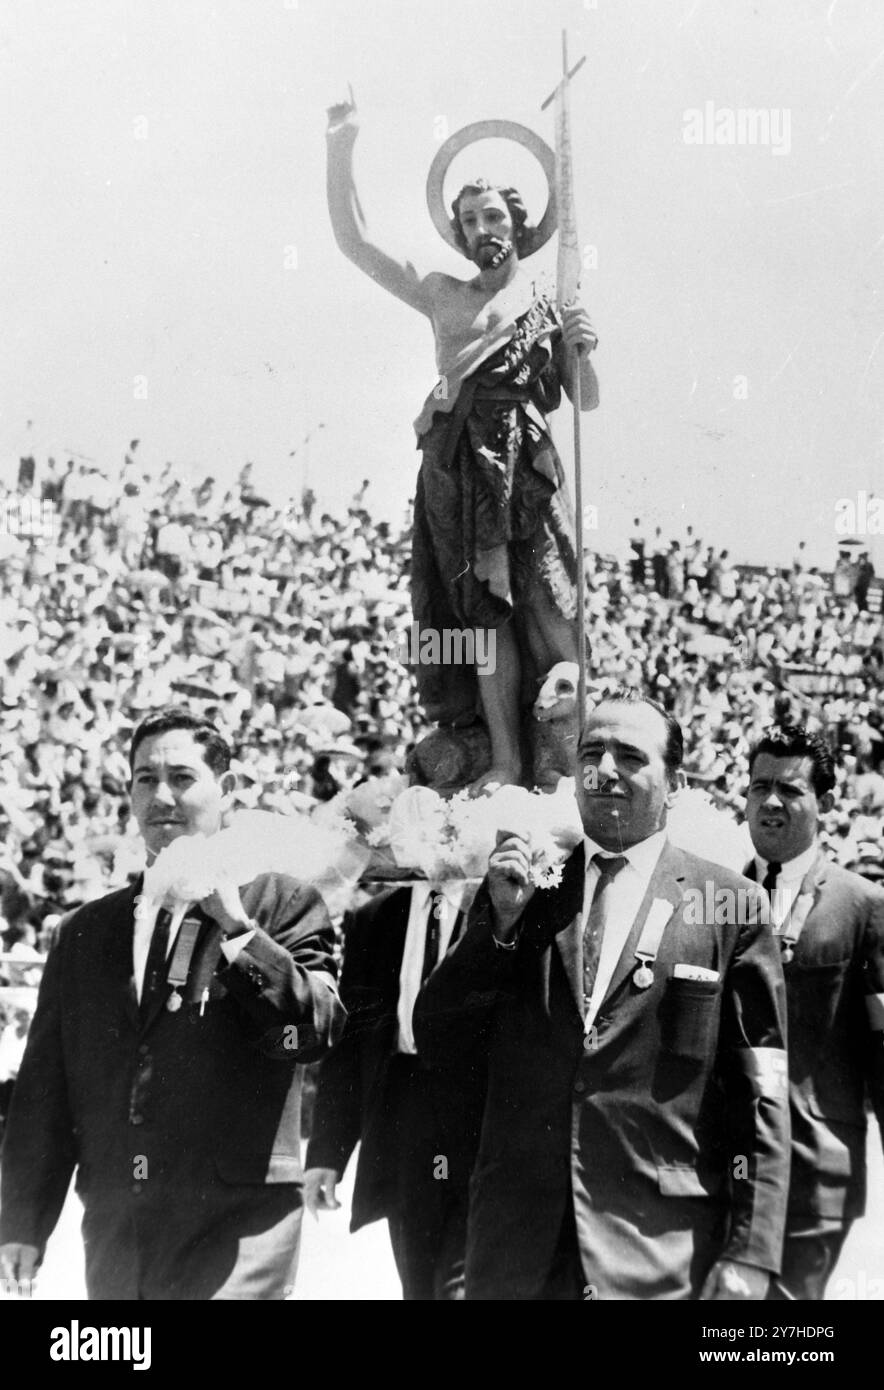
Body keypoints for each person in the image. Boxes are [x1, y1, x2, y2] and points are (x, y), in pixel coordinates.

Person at [414, 689, 791, 1300]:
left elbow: (761, 1090)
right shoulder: (524, 887)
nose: (605, 770)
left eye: (630, 755)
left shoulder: (730, 903)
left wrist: (750, 1251)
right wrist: (497, 929)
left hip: (655, 1250)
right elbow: (438, 1037)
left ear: (675, 780)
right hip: (516, 1249)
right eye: (591, 752)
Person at [0, 706, 345, 1300]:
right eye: (144, 779)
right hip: (119, 1221)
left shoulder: (281, 903)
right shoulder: (84, 930)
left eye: (182, 778)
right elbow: (45, 1085)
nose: (161, 796)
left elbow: (313, 1031)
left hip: (239, 1227)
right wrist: (22, 1224)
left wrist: (238, 930)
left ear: (226, 788)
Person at [326, 93, 599, 792]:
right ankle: (503, 758)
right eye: (471, 220)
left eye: (496, 216)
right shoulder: (445, 293)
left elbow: (585, 397)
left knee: (547, 601)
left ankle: (563, 747)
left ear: (521, 222)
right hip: (455, 466)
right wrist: (341, 146)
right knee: (481, 619)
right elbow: (354, 242)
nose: (484, 228)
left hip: (527, 464)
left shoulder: (549, 294)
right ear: (459, 232)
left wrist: (582, 347)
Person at [743, 723, 884, 1300]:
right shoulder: (710, 894)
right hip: (722, 1166)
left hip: (814, 1170)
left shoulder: (862, 904)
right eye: (759, 786)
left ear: (824, 803)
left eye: (790, 789)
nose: (770, 801)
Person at [303, 881, 483, 1299]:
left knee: (460, 1287)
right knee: (418, 1286)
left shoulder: (502, 904)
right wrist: (327, 1153)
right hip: (404, 1128)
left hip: (480, 1134)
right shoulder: (377, 916)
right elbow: (351, 1044)